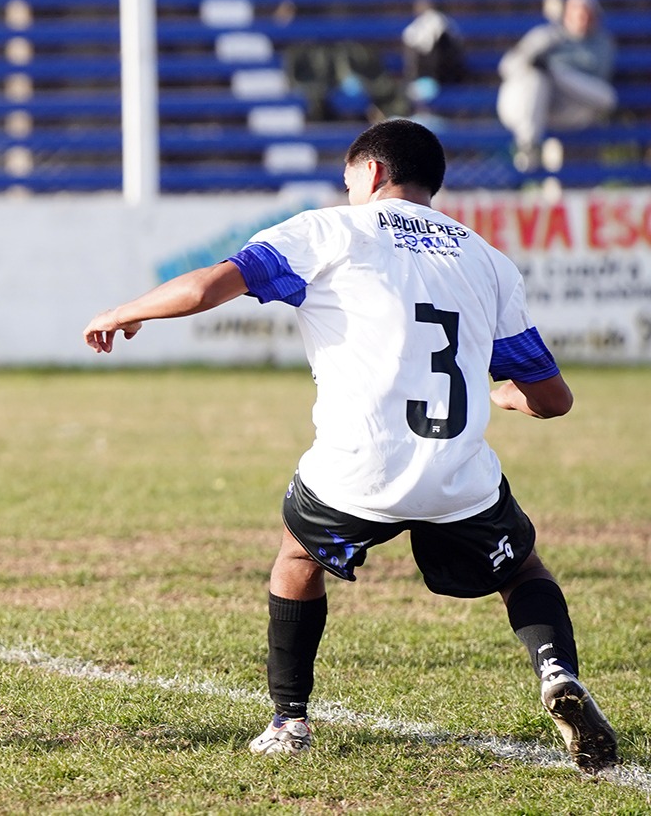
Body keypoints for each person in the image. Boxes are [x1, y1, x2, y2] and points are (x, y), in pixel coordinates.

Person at [82, 119, 619, 773]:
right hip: (457, 473)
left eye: (348, 180)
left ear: (371, 172)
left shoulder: (327, 231)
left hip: (358, 469)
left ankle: (289, 721)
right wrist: (504, 396)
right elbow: (554, 398)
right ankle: (556, 672)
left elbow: (204, 287)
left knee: (296, 560)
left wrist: (124, 311)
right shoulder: (487, 260)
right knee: (524, 571)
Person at [497, 0, 616, 172]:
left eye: (585, 10)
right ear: (565, 12)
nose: (581, 15)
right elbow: (507, 67)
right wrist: (531, 63)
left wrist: (554, 73)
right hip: (523, 104)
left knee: (607, 97)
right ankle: (528, 148)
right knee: (537, 80)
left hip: (571, 106)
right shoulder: (545, 35)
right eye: (575, 9)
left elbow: (601, 92)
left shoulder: (601, 44)